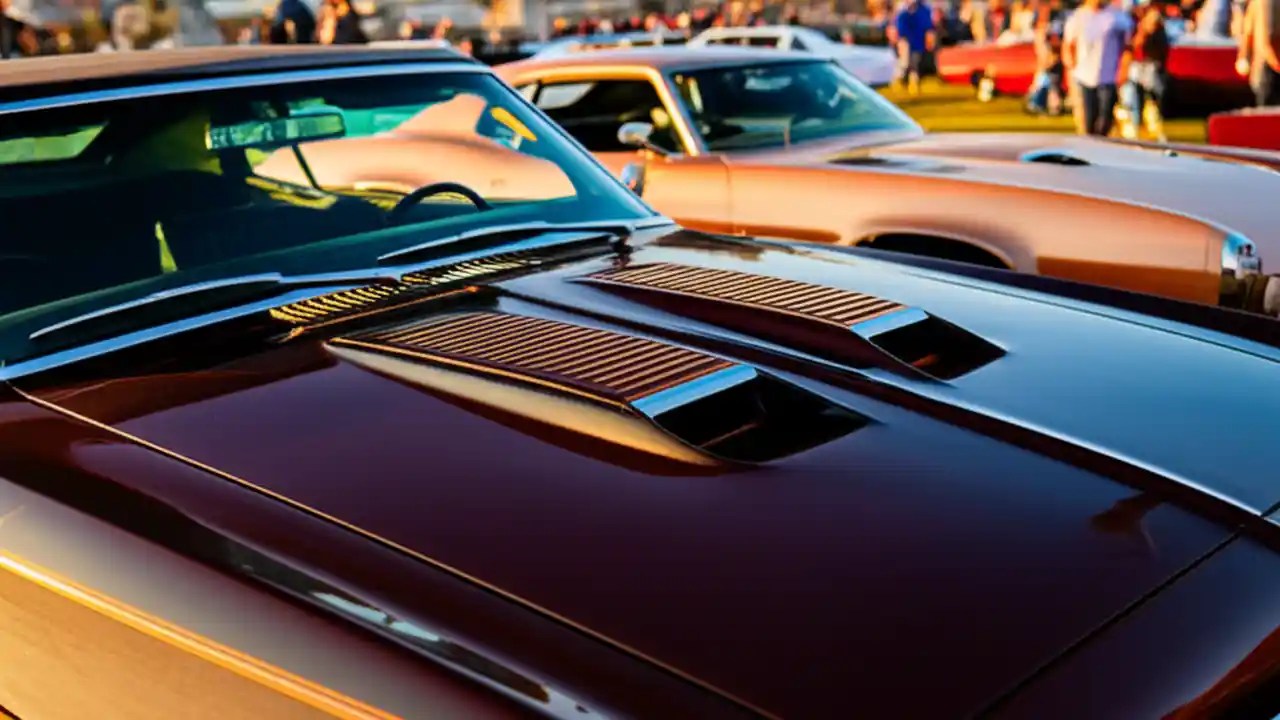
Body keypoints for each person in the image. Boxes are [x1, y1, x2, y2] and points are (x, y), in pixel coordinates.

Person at [1063, 0, 1134, 135]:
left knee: (1105, 119)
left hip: (1108, 76)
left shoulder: (1116, 17)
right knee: (1088, 121)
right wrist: (1071, 68)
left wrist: (1124, 69)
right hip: (1084, 76)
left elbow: (1128, 46)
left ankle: (1102, 142)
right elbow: (1068, 45)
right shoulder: (1078, 17)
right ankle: (1089, 144)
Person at [1118, 2, 1170, 139]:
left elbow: (1160, 53)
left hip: (1150, 69)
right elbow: (1131, 48)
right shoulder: (1131, 22)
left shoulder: (1158, 27)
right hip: (1135, 68)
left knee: (1151, 104)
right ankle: (1133, 133)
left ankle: (1156, 134)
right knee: (1131, 103)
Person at [1237, 0, 1280, 105]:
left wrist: (1244, 57)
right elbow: (1267, 43)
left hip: (1260, 74)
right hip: (1270, 76)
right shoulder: (1269, 2)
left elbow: (1248, 33)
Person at [894, 0, 936, 96]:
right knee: (904, 62)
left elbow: (928, 26)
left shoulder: (924, 9)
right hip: (905, 39)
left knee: (915, 62)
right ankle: (898, 80)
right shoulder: (902, 8)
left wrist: (929, 38)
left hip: (917, 40)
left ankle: (913, 83)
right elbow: (898, 24)